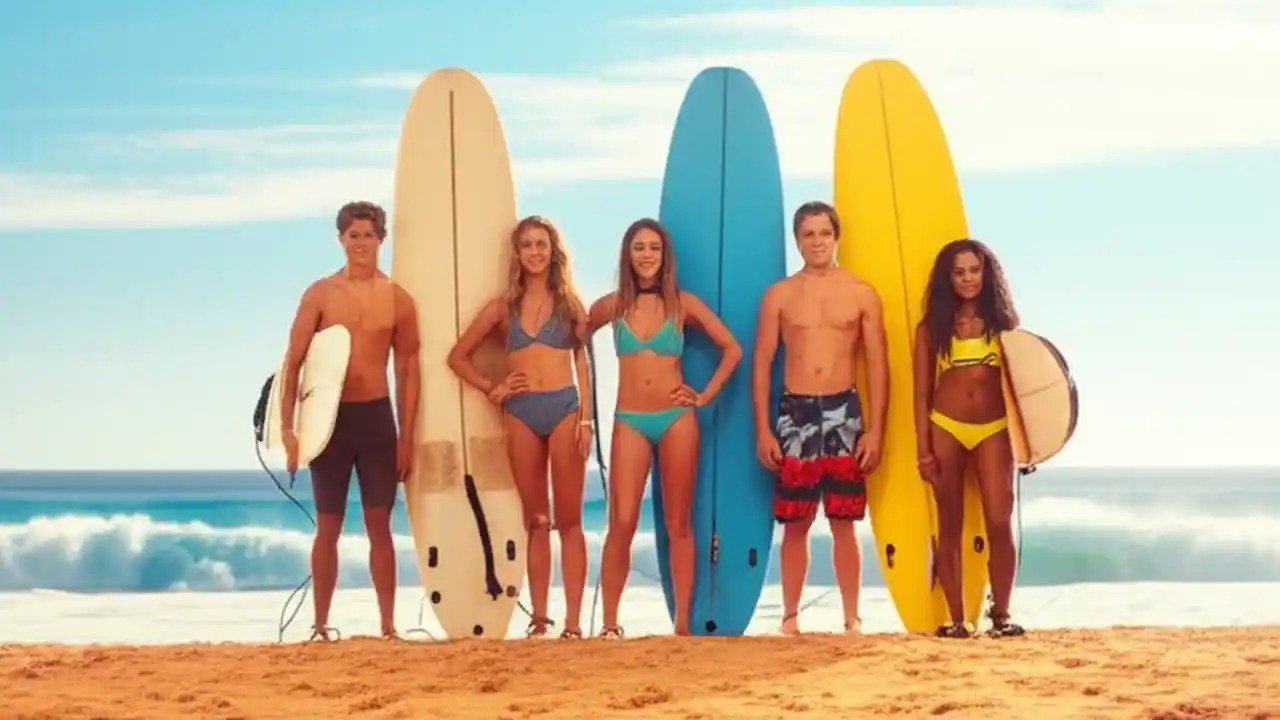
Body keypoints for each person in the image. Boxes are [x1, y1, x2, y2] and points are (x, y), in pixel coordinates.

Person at [585, 218, 742, 638]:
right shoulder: (612, 305)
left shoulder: (683, 304)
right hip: (629, 420)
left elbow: (732, 348)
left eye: (654, 247)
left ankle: (682, 625)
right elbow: (571, 339)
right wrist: (580, 407)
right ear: (627, 254)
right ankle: (610, 623)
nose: (647, 255)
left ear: (664, 255)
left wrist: (704, 395)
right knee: (622, 523)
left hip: (676, 420)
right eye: (639, 247)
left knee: (678, 524)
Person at [280, 200, 421, 642]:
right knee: (328, 526)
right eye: (353, 235)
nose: (361, 243)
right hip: (330, 422)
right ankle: (320, 624)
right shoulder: (320, 294)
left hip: (376, 419)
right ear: (341, 239)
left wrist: (406, 438)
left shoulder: (398, 299)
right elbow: (294, 362)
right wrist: (288, 430)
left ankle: (388, 625)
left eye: (368, 235)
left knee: (380, 526)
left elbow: (408, 370)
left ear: (382, 239)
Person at [447, 215, 592, 639]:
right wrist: (492, 388)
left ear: (553, 250)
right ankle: (540, 619)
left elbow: (583, 362)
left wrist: (586, 418)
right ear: (517, 253)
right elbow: (458, 357)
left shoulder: (569, 304)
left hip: (565, 409)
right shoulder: (501, 308)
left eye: (541, 244)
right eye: (527, 245)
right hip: (522, 413)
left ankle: (573, 623)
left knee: (570, 520)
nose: (534, 251)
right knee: (537, 520)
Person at [752, 200, 888, 636]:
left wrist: (876, 431)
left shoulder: (861, 292)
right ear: (797, 240)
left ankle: (851, 617)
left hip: (844, 410)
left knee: (844, 521)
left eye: (824, 233)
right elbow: (762, 363)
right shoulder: (780, 295)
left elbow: (879, 365)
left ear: (836, 237)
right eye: (808, 234)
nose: (817, 241)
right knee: (796, 521)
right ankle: (790, 616)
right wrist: (762, 429)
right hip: (796, 412)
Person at [914, 238, 1025, 639]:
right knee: (950, 523)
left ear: (986, 273)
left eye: (974, 270)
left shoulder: (1004, 326)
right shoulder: (932, 329)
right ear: (948, 278)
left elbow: (1023, 388)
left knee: (998, 520)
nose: (967, 278)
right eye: (959, 272)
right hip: (946, 427)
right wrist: (923, 450)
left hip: (994, 429)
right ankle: (957, 619)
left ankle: (1002, 614)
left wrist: (1028, 442)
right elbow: (921, 393)